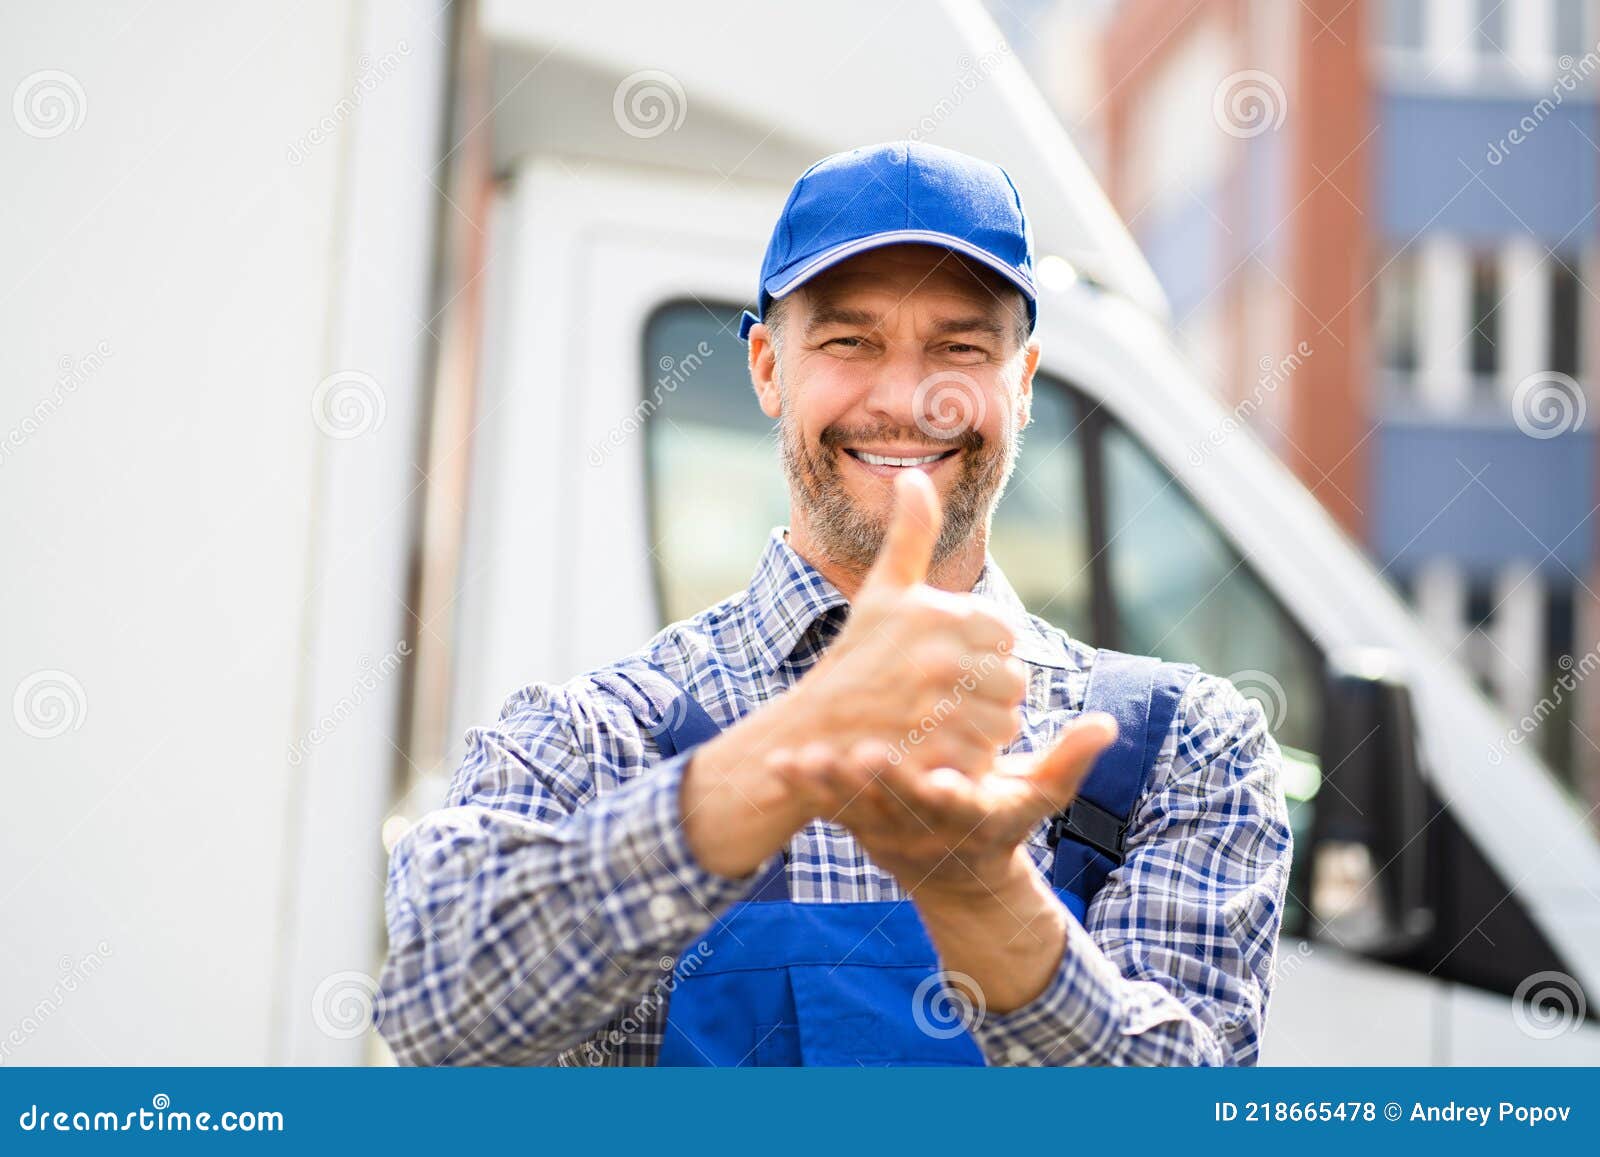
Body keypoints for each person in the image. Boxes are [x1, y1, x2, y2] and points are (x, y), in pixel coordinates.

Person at [377, 141, 1293, 1066]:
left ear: (1022, 382)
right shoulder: (597, 742)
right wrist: (774, 760)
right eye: (850, 341)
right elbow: (433, 1012)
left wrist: (984, 894)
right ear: (770, 367)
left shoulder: (1178, 749)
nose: (906, 398)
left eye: (960, 347)